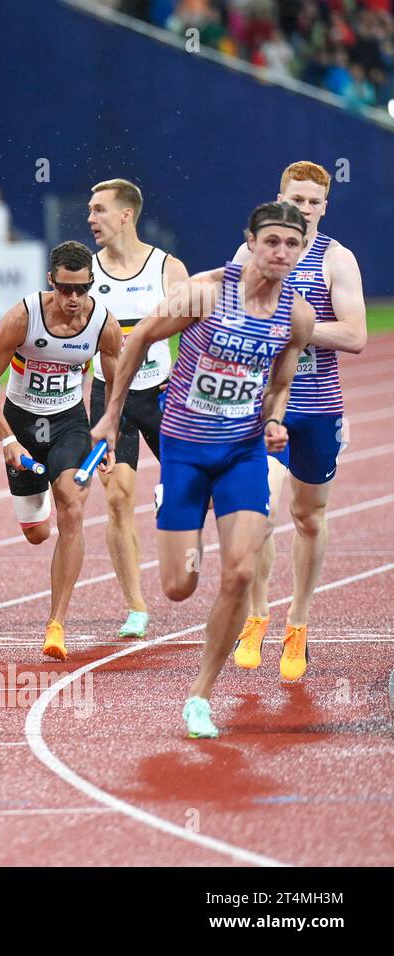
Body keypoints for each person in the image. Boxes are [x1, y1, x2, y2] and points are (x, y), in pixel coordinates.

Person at [91, 203, 314, 738]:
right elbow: (140, 336)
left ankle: (200, 697)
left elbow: (281, 380)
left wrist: (276, 419)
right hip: (185, 451)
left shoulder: (297, 315)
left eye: (291, 243)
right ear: (251, 242)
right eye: (272, 242)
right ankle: (178, 513)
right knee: (177, 586)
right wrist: (112, 416)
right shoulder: (206, 293)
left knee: (238, 572)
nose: (281, 252)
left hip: (242, 453)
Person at [232, 162, 367, 681]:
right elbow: (232, 317)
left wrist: (300, 326)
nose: (304, 208)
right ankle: (256, 614)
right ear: (280, 197)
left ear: (324, 206)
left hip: (318, 410)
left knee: (308, 518)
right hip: (262, 408)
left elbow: (355, 335)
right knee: (259, 516)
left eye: (313, 201)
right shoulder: (252, 253)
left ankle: (299, 623)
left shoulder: (337, 259)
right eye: (297, 198)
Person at [0, 241, 122, 661]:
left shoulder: (102, 324)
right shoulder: (24, 316)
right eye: (65, 289)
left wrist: (108, 430)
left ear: (92, 284)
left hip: (69, 423)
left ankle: (56, 623)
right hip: (22, 422)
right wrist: (8, 439)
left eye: (82, 289)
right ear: (50, 282)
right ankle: (33, 510)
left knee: (72, 507)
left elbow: (117, 384)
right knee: (38, 534)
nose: (73, 299)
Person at [86, 179, 190, 638]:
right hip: (110, 399)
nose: (90, 218)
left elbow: (197, 331)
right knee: (116, 499)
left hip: (163, 394)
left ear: (126, 214)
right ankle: (136, 607)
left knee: (191, 494)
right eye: (89, 210)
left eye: (99, 210)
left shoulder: (168, 269)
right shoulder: (84, 275)